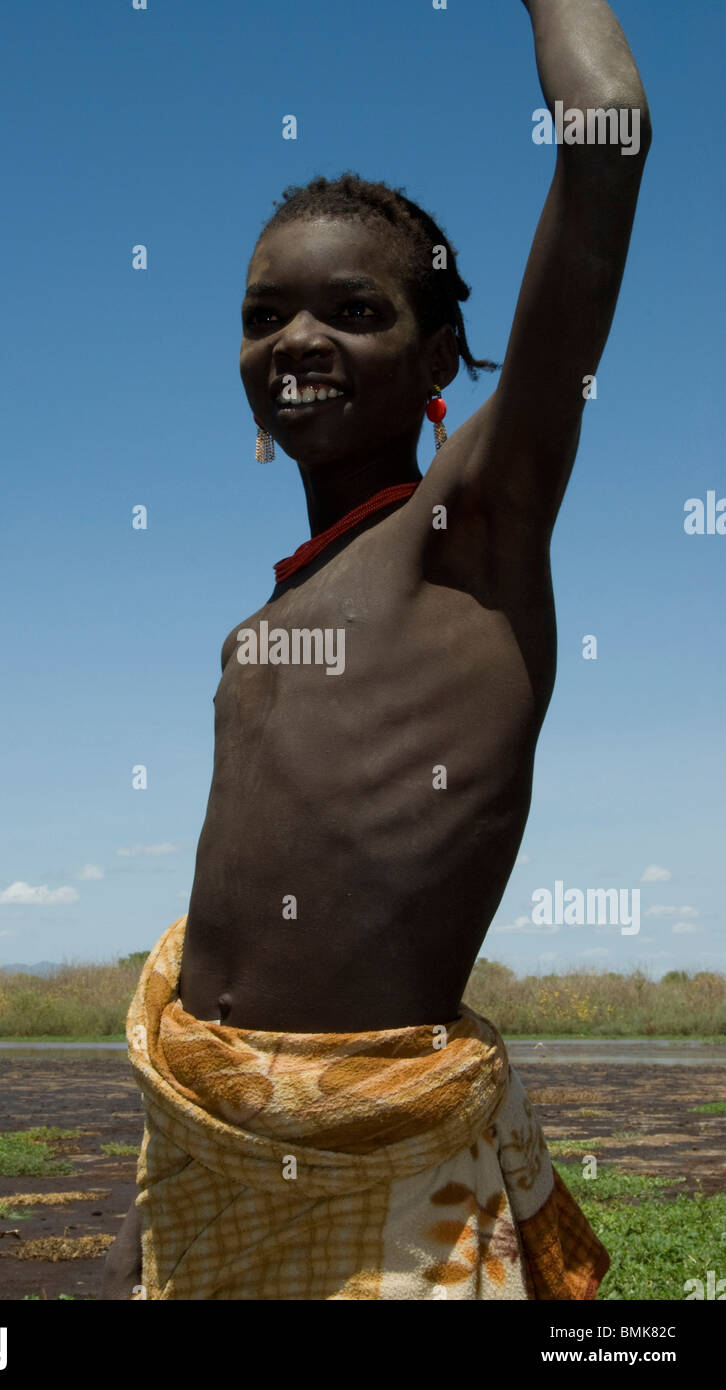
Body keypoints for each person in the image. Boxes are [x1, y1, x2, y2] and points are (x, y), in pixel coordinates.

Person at [103, 0, 651, 1299]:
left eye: (352, 310)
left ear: (440, 356)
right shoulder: (256, 633)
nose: (297, 341)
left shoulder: (467, 534)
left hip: (386, 1176)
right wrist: (166, 1192)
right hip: (206, 1141)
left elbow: (607, 139)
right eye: (263, 315)